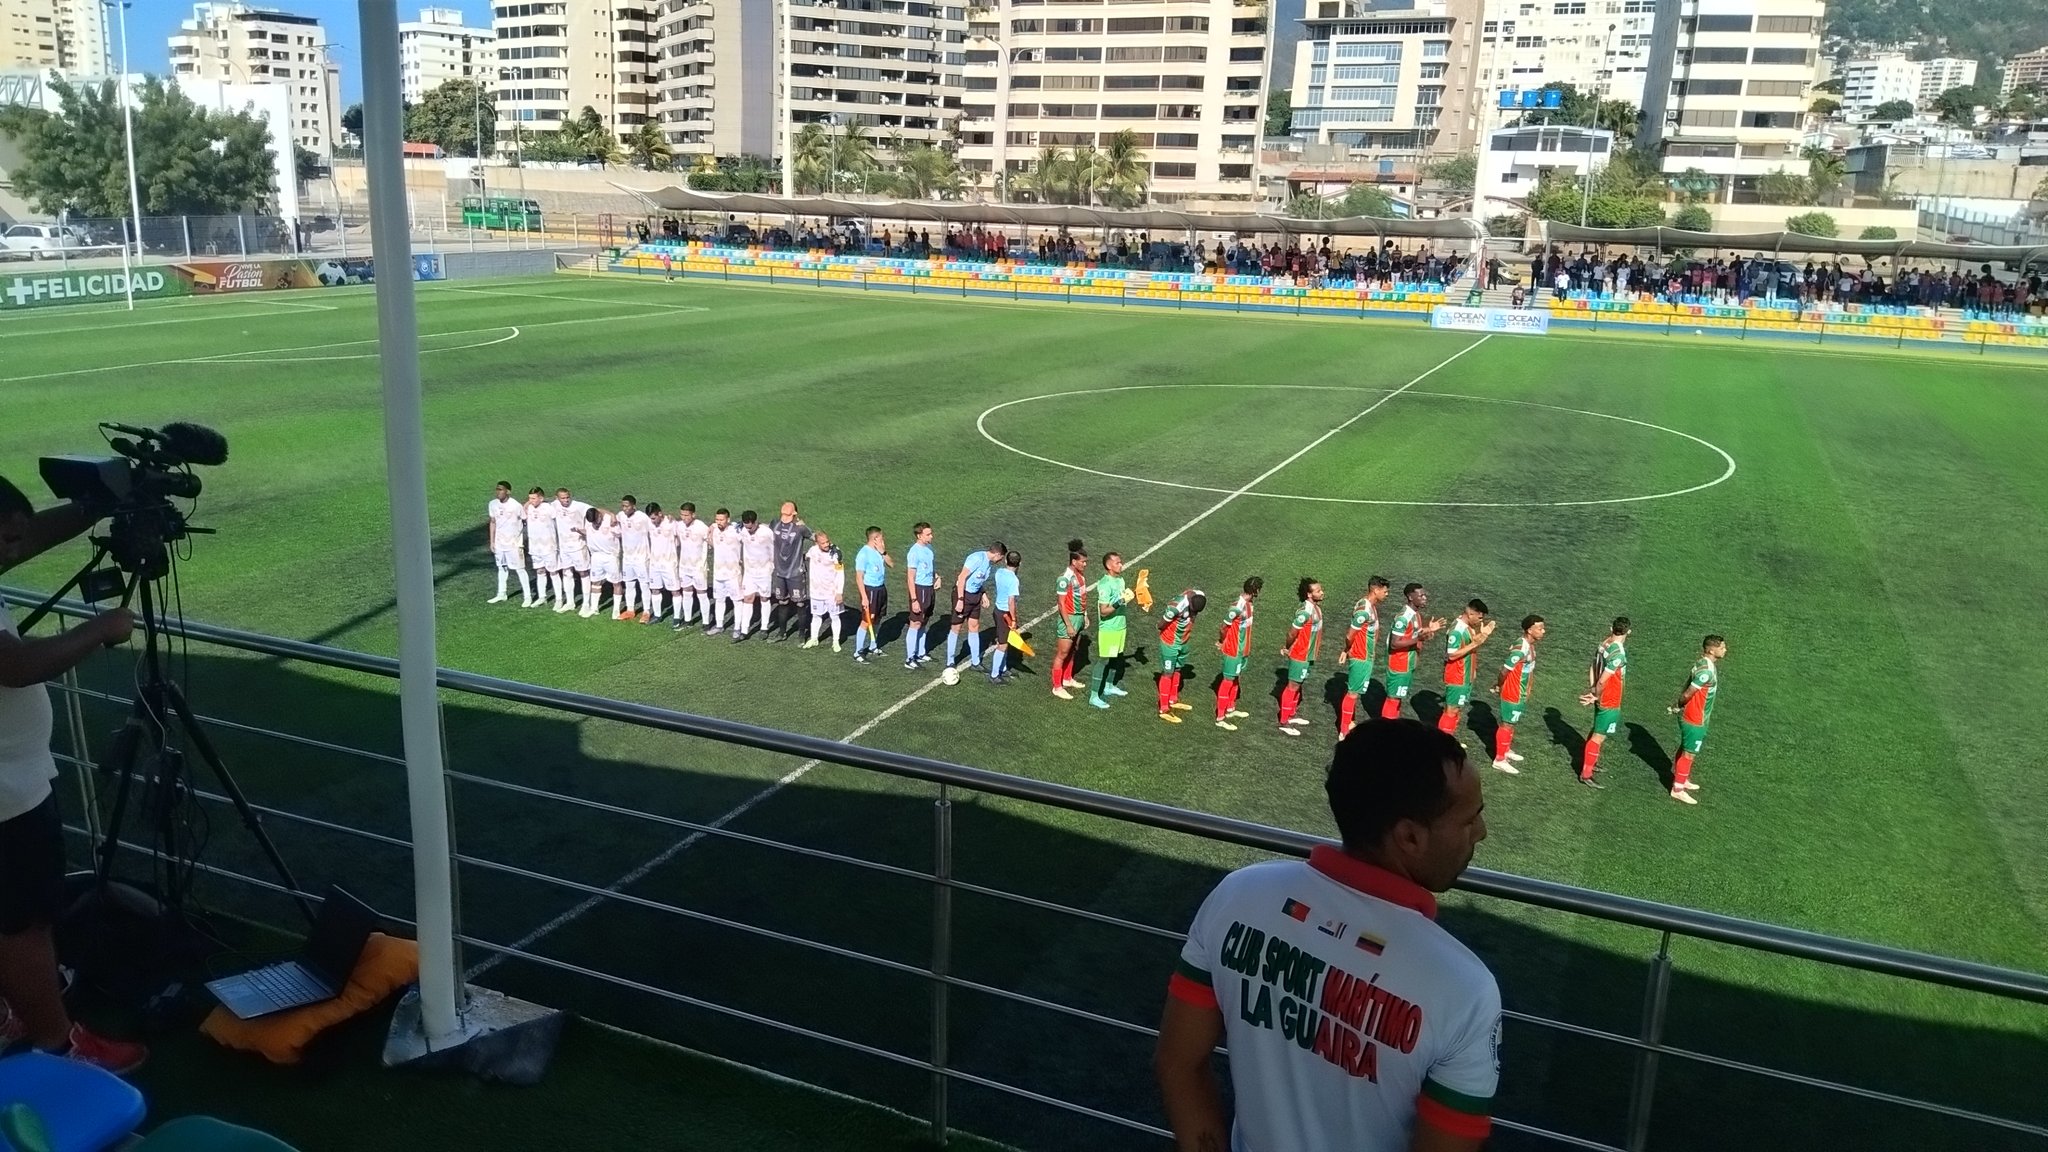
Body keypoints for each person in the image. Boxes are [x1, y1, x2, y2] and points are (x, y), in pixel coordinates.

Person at [1156, 720, 1501, 1152]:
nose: (1481, 832)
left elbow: (1177, 1064)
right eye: (1469, 819)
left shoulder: (1238, 894)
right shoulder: (1465, 988)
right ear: (1409, 837)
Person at [0, 477, 150, 1072]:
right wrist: (101, 629)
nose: (15, 551)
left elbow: (30, 534)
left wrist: (93, 507)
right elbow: (14, 665)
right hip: (7, 798)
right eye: (6, 539)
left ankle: (12, 1013)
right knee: (23, 923)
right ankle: (58, 1045)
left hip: (12, 785)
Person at [1666, 635, 1725, 805]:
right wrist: (1677, 706)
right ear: (1711, 650)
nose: (1725, 650)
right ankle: (1677, 790)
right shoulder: (1706, 672)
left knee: (1686, 747)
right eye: (1722, 647)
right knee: (1689, 753)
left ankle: (1682, 779)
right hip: (1694, 717)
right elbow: (1688, 693)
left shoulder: (1702, 663)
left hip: (1697, 716)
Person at [1578, 617, 1630, 787]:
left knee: (1597, 729)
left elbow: (1593, 666)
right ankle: (1586, 774)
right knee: (1599, 736)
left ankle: (1590, 762)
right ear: (1628, 631)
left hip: (1601, 695)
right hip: (1609, 698)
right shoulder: (1618, 654)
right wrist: (1596, 694)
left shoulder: (1604, 644)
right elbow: (1603, 680)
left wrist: (1593, 689)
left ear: (1611, 628)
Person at [1381, 584, 1445, 721]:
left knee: (1397, 698)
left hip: (1407, 664)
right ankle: (1386, 729)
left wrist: (1429, 629)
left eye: (1424, 595)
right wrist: (1419, 639)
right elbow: (1394, 643)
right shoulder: (1403, 618)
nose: (1425, 598)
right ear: (1410, 597)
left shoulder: (1415, 615)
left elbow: (1414, 634)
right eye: (1421, 596)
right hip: (1399, 664)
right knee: (1393, 699)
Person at [1491, 616, 1544, 774]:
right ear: (1529, 630)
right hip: (1512, 691)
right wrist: (1499, 686)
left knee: (1512, 723)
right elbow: (1504, 671)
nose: (1543, 631)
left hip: (1520, 691)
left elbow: (1528, 670)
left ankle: (1505, 750)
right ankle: (1499, 760)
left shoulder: (1530, 646)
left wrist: (1528, 689)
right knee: (1507, 724)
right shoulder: (1521, 649)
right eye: (1540, 628)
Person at [1338, 576, 1391, 737]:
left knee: (1354, 691)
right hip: (1361, 655)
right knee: (1353, 693)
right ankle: (1344, 730)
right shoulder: (1364, 610)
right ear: (1375, 590)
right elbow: (1350, 635)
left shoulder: (1369, 606)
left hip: (1366, 655)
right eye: (1385, 591)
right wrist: (1346, 650)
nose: (1387, 594)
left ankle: (1348, 722)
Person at [1436, 600, 1496, 737]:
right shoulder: (1457, 631)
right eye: (1479, 618)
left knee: (1456, 709)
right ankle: (1441, 742)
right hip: (1457, 676)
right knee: (1451, 710)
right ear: (1470, 613)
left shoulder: (1466, 626)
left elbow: (1471, 644)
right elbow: (1451, 655)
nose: (1480, 621)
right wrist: (1475, 643)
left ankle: (1448, 739)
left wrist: (1483, 635)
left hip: (1465, 675)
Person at [1088, 551, 1135, 709]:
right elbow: (1104, 611)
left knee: (1116, 657)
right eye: (1117, 563)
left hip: (1120, 626)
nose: (1121, 565)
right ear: (1109, 565)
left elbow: (1121, 600)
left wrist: (1127, 597)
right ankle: (1094, 696)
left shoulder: (1120, 580)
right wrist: (1121, 601)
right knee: (1104, 660)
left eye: (1121, 562)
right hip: (1109, 629)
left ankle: (1108, 687)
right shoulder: (1104, 584)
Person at [1213, 576, 1261, 730]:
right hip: (1233, 650)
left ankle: (1230, 708)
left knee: (1236, 678)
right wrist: (1221, 642)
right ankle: (1220, 717)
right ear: (1255, 590)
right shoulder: (1236, 607)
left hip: (1243, 649)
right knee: (1228, 680)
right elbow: (1223, 627)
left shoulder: (1249, 605)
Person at [949, 541, 1005, 673]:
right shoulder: (977, 558)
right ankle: (949, 661)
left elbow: (978, 580)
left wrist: (983, 594)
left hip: (975, 596)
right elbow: (962, 577)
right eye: (1001, 558)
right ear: (997, 554)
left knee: (974, 626)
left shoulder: (989, 564)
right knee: (956, 627)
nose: (1000, 560)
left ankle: (975, 662)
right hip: (964, 595)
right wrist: (960, 599)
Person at [1278, 577, 1325, 734]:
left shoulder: (1316, 608)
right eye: (1318, 591)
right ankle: (1284, 721)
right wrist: (1287, 647)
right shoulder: (1304, 612)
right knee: (1293, 686)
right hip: (1300, 654)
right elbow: (1292, 633)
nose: (1322, 592)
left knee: (1298, 684)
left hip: (1308, 654)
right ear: (1309, 594)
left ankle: (1291, 714)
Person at [1154, 587, 1206, 723]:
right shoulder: (1176, 607)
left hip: (1183, 640)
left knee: (1177, 669)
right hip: (1170, 642)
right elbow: (1161, 624)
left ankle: (1173, 699)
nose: (1194, 615)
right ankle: (1163, 708)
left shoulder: (1199, 596)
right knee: (1168, 672)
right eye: (1193, 611)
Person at [767, 502, 813, 643]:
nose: (784, 518)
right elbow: (763, 532)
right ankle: (782, 633)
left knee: (800, 604)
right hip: (780, 572)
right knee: (782, 602)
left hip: (796, 572)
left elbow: (816, 538)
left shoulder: (800, 528)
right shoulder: (775, 524)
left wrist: (810, 554)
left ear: (794, 514)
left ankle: (801, 635)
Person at [1049, 547, 1089, 700]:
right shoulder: (1064, 579)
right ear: (1074, 561)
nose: (1085, 564)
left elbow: (1081, 597)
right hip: (1070, 618)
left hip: (1078, 617)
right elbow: (1061, 604)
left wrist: (1084, 615)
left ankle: (1067, 678)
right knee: (1062, 653)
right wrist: (1068, 625)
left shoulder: (1080, 576)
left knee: (1073, 650)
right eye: (1082, 562)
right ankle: (1057, 687)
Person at [486, 481, 532, 606]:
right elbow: (493, 522)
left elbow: (525, 520)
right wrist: (492, 541)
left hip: (514, 544)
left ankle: (527, 596)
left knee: (520, 569)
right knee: (502, 568)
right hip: (499, 543)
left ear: (508, 491)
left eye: (501, 489)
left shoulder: (515, 505)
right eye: (497, 489)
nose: (498, 492)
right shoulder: (492, 504)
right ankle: (502, 593)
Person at [852, 526, 891, 663]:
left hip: (881, 588)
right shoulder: (863, 554)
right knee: (866, 620)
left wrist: (883, 552)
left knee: (878, 618)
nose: (883, 539)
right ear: (875, 538)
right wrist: (864, 597)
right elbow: (859, 577)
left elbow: (891, 564)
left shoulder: (879, 551)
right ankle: (858, 651)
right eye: (881, 537)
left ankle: (873, 646)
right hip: (870, 590)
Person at [550, 488, 592, 615]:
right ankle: (570, 602)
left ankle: (586, 604)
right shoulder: (554, 505)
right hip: (564, 547)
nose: (566, 500)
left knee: (583, 573)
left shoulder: (579, 506)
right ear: (557, 498)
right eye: (563, 498)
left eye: (567, 497)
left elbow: (595, 510)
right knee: (567, 572)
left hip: (579, 546)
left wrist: (611, 515)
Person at [903, 522, 939, 669]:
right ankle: (910, 658)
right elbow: (910, 577)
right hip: (919, 589)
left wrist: (937, 577)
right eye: (928, 534)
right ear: (919, 535)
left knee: (924, 621)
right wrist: (914, 600)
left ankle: (921, 653)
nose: (931, 536)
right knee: (916, 623)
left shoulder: (929, 550)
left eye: (931, 533)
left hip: (929, 589)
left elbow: (930, 568)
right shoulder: (914, 552)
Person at [737, 510, 776, 642]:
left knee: (764, 598)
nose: (748, 530)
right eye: (746, 527)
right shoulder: (742, 530)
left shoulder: (767, 532)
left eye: (750, 527)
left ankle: (764, 627)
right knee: (748, 598)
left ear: (756, 522)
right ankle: (744, 630)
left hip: (765, 571)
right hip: (749, 572)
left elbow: (778, 544)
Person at [803, 530, 845, 651]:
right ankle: (814, 639)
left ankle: (836, 641)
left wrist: (839, 592)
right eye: (823, 543)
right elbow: (804, 556)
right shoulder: (813, 551)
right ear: (816, 543)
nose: (826, 544)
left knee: (835, 616)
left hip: (832, 592)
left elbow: (840, 573)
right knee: (816, 616)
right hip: (816, 591)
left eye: (827, 541)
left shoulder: (835, 553)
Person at [672, 502, 711, 631]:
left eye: (686, 515)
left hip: (699, 567)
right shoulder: (679, 526)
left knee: (702, 593)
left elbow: (711, 539)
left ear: (693, 515)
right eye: (682, 515)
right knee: (686, 592)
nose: (684, 518)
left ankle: (706, 622)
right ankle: (688, 620)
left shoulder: (701, 527)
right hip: (684, 566)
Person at [616, 495, 654, 622]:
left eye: (627, 506)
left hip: (641, 558)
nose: (624, 508)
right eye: (623, 506)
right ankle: (630, 610)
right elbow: (611, 518)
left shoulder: (642, 517)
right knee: (629, 584)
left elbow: (655, 525)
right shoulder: (621, 515)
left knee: (644, 585)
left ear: (634, 506)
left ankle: (646, 611)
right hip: (627, 558)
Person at [705, 508, 742, 636]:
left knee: (737, 601)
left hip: (733, 574)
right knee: (719, 600)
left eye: (722, 519)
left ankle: (737, 628)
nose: (719, 522)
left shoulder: (736, 530)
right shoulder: (714, 529)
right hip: (718, 573)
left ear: (728, 519)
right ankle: (719, 625)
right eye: (717, 519)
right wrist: (712, 527)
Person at [988, 550, 1021, 684]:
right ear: (1019, 564)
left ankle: (1003, 668)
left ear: (1006, 561)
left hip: (997, 610)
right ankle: (994, 675)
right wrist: (1013, 619)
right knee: (1002, 644)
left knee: (1004, 640)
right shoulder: (1014, 580)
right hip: (1005, 614)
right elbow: (1011, 601)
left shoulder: (999, 572)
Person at [582, 505, 621, 619]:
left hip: (610, 556)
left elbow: (619, 534)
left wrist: (612, 515)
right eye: (593, 522)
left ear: (599, 515)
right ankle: (594, 608)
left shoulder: (610, 520)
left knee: (616, 582)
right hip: (596, 556)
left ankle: (616, 609)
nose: (595, 524)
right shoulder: (589, 520)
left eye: (596, 521)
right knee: (595, 582)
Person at [522, 487, 557, 610]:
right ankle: (542, 597)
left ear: (541, 498)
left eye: (533, 498)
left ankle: (559, 599)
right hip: (535, 547)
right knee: (540, 571)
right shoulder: (529, 508)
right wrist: (529, 503)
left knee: (553, 572)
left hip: (549, 546)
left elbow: (558, 520)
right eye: (529, 498)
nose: (531, 501)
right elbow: (523, 511)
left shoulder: (548, 508)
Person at [645, 504, 680, 624]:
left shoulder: (671, 523)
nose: (652, 521)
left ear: (660, 514)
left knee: (675, 591)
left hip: (669, 563)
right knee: (655, 589)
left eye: (654, 518)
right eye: (651, 518)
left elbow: (681, 537)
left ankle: (677, 617)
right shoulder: (649, 523)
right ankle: (657, 615)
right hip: (654, 563)